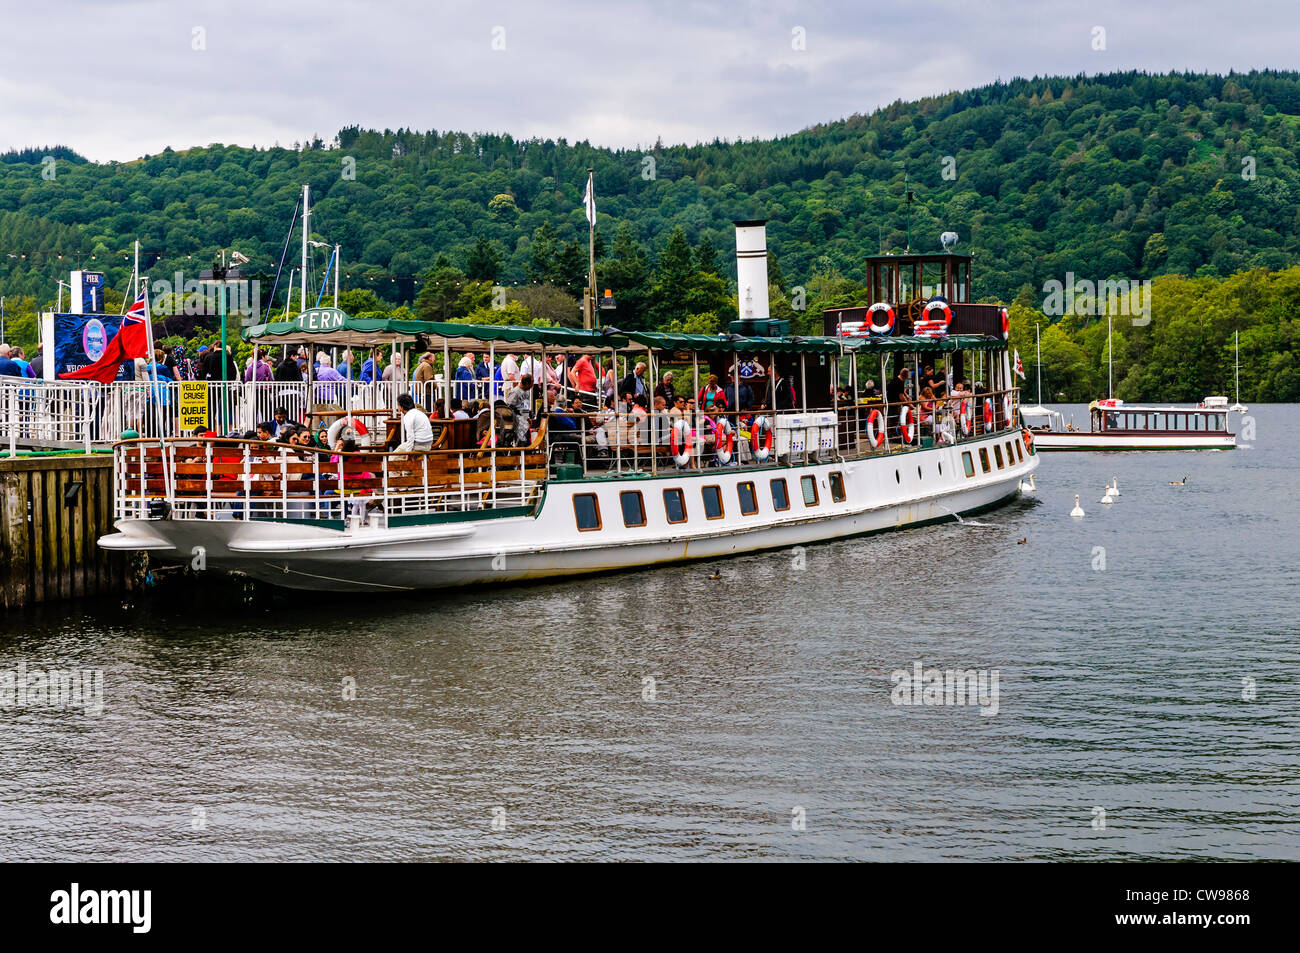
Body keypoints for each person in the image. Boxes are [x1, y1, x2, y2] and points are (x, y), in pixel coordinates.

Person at [503, 374, 534, 445]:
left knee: (527, 441)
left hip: (524, 420)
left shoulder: (527, 392)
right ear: (526, 383)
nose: (532, 385)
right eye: (531, 383)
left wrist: (527, 417)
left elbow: (525, 406)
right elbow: (510, 406)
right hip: (518, 421)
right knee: (521, 441)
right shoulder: (515, 392)